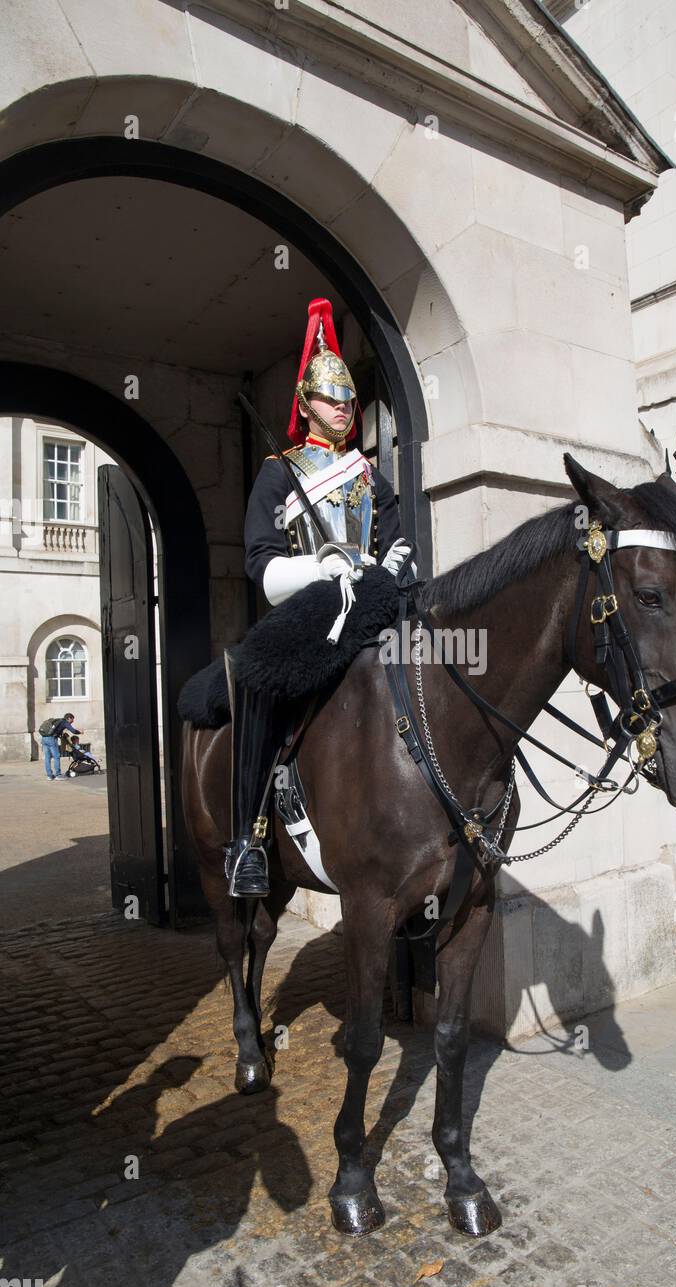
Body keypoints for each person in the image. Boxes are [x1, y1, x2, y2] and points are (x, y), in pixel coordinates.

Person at [225, 298, 412, 898]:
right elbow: (259, 564)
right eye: (332, 399)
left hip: (372, 605)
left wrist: (393, 564)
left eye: (349, 400)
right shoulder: (280, 473)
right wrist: (318, 566)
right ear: (305, 404)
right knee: (256, 674)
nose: (343, 408)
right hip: (309, 609)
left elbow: (396, 537)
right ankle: (247, 840)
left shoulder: (369, 476)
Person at [41, 712, 82, 781]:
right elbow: (73, 731)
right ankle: (58, 775)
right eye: (72, 719)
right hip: (51, 739)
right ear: (68, 718)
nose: (73, 721)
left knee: (47, 757)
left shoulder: (58, 721)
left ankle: (49, 776)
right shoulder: (64, 722)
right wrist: (80, 732)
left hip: (44, 738)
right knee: (56, 756)